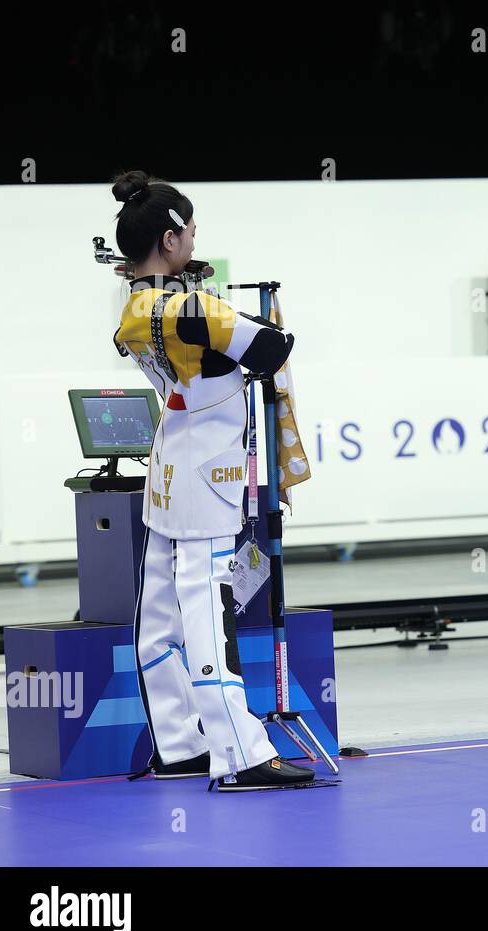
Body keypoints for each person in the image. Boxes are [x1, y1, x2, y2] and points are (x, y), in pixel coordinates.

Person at [110, 169, 320, 786]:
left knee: (158, 619)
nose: (196, 240)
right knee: (205, 613)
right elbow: (273, 347)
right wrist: (210, 301)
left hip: (167, 475)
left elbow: (159, 332)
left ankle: (178, 746)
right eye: (191, 231)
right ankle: (240, 752)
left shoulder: (133, 310)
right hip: (210, 479)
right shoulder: (197, 309)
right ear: (171, 239)